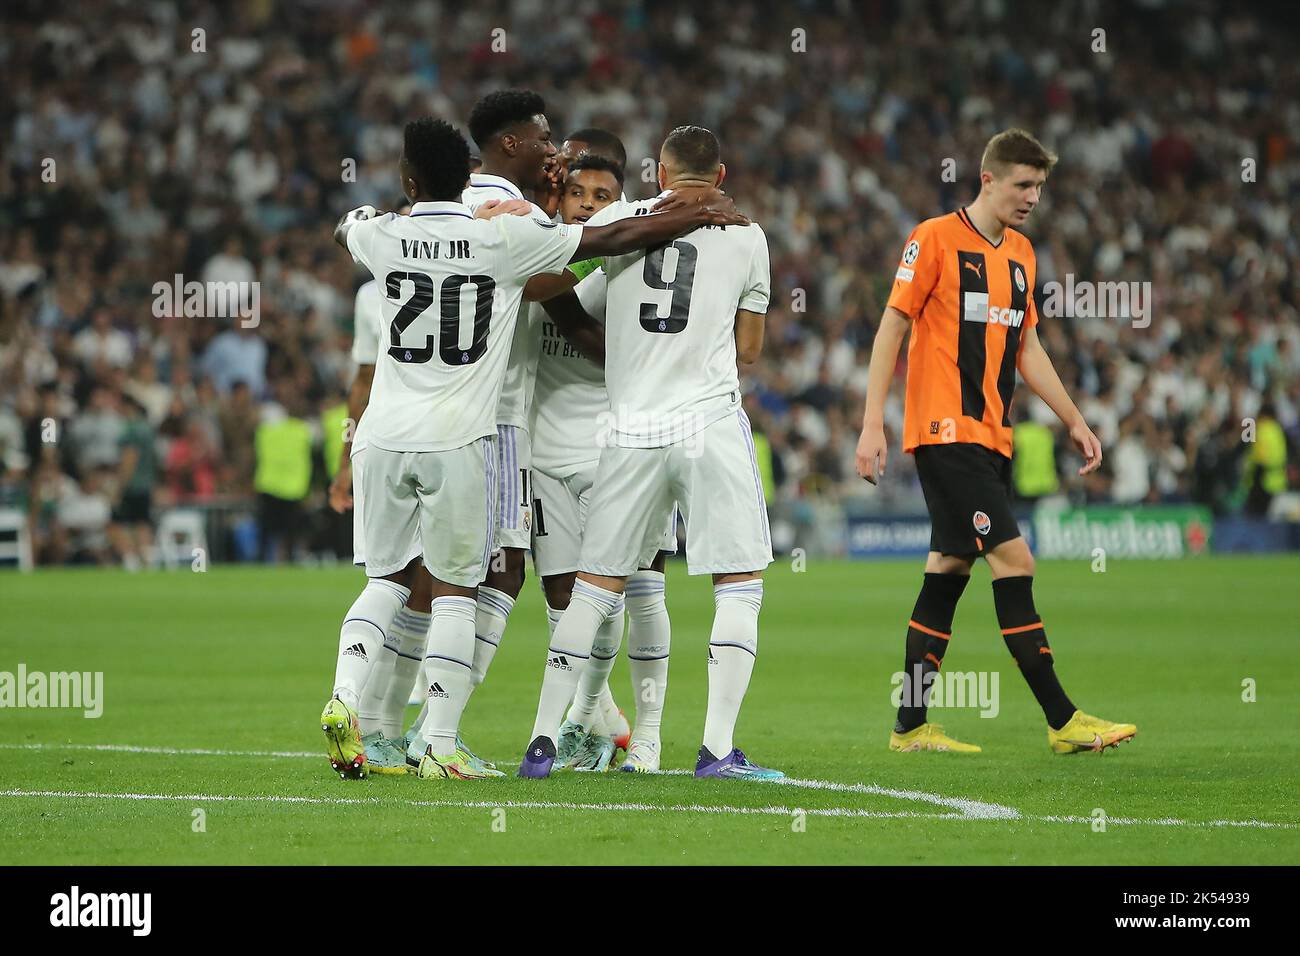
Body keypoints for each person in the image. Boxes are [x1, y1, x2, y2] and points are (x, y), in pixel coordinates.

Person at [321, 115, 747, 781]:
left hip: (383, 435)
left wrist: (373, 213)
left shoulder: (384, 234)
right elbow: (614, 237)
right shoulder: (505, 236)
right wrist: (688, 212)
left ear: (409, 180)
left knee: (389, 579)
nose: (557, 161)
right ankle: (439, 741)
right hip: (469, 435)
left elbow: (349, 225)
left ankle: (350, 703)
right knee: (465, 587)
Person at [854, 128, 1136, 755]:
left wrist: (1074, 419)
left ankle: (910, 727)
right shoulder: (932, 238)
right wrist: (872, 423)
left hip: (992, 437)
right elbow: (891, 327)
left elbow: (1026, 347)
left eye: (1039, 186)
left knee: (949, 568)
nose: (1033, 196)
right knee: (1016, 561)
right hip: (944, 432)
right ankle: (1063, 720)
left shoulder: (1023, 255)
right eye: (1023, 184)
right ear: (988, 179)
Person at [518, 126, 781, 782]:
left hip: (629, 430)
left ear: (659, 173)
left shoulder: (618, 221)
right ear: (718, 178)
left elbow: (561, 298)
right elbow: (749, 351)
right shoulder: (746, 234)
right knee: (738, 581)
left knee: (595, 586)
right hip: (706, 422)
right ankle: (717, 749)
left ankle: (543, 743)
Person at [530, 151, 676, 773]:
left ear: (623, 206)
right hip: (544, 455)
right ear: (558, 201)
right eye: (578, 193)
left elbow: (617, 354)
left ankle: (645, 734)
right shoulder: (533, 253)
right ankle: (591, 723)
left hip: (626, 449)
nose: (588, 203)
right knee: (570, 603)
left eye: (603, 194)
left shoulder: (636, 266)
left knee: (640, 593)